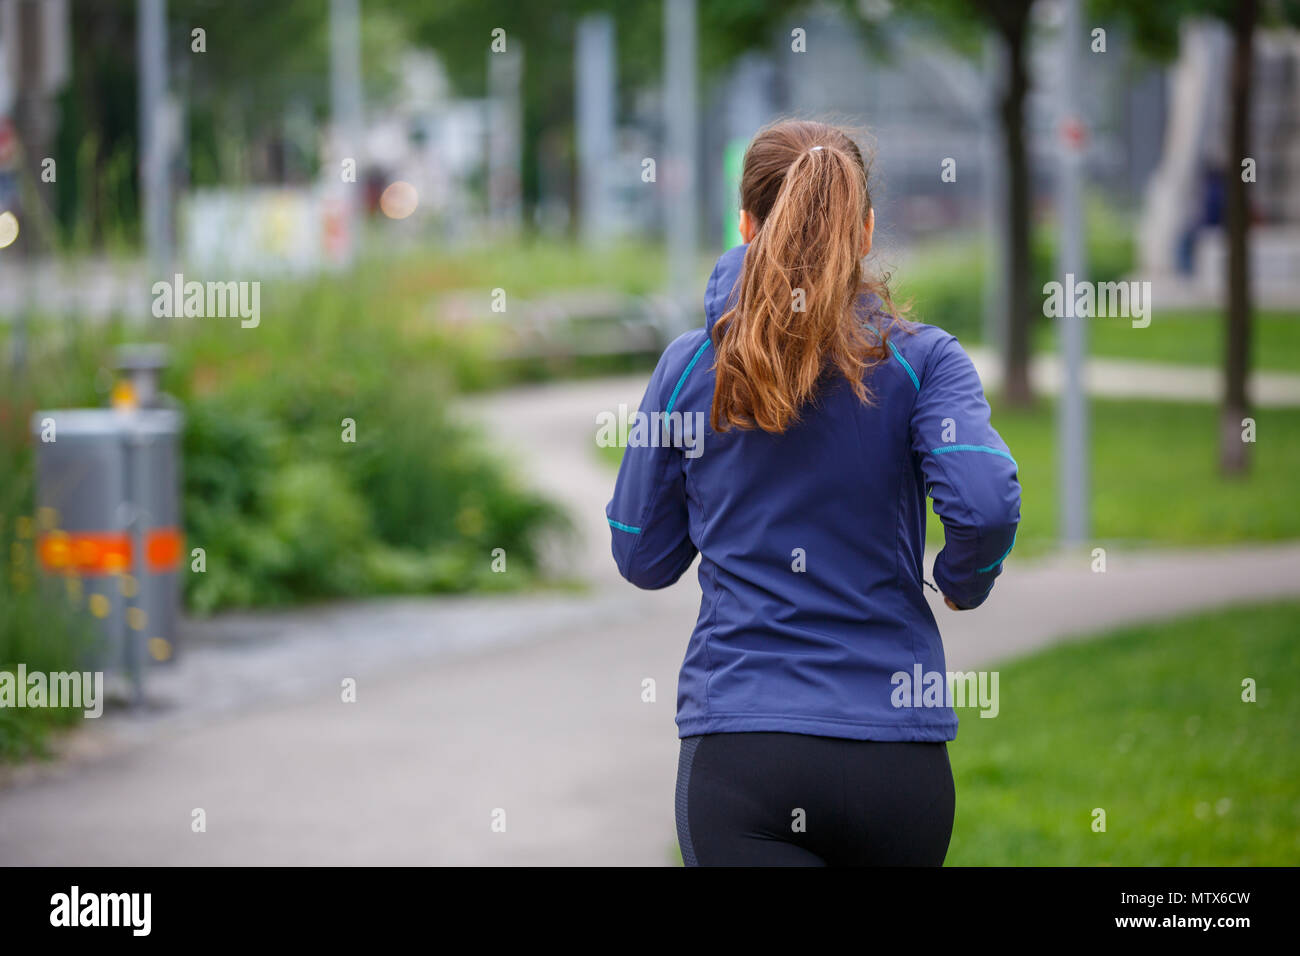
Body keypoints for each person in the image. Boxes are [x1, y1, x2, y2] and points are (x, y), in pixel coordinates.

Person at [605, 119, 1021, 866]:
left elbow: (641, 553)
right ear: (863, 232)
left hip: (743, 751)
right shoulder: (925, 361)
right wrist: (964, 579)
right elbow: (986, 506)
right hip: (897, 757)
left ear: (745, 224)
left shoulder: (690, 364)